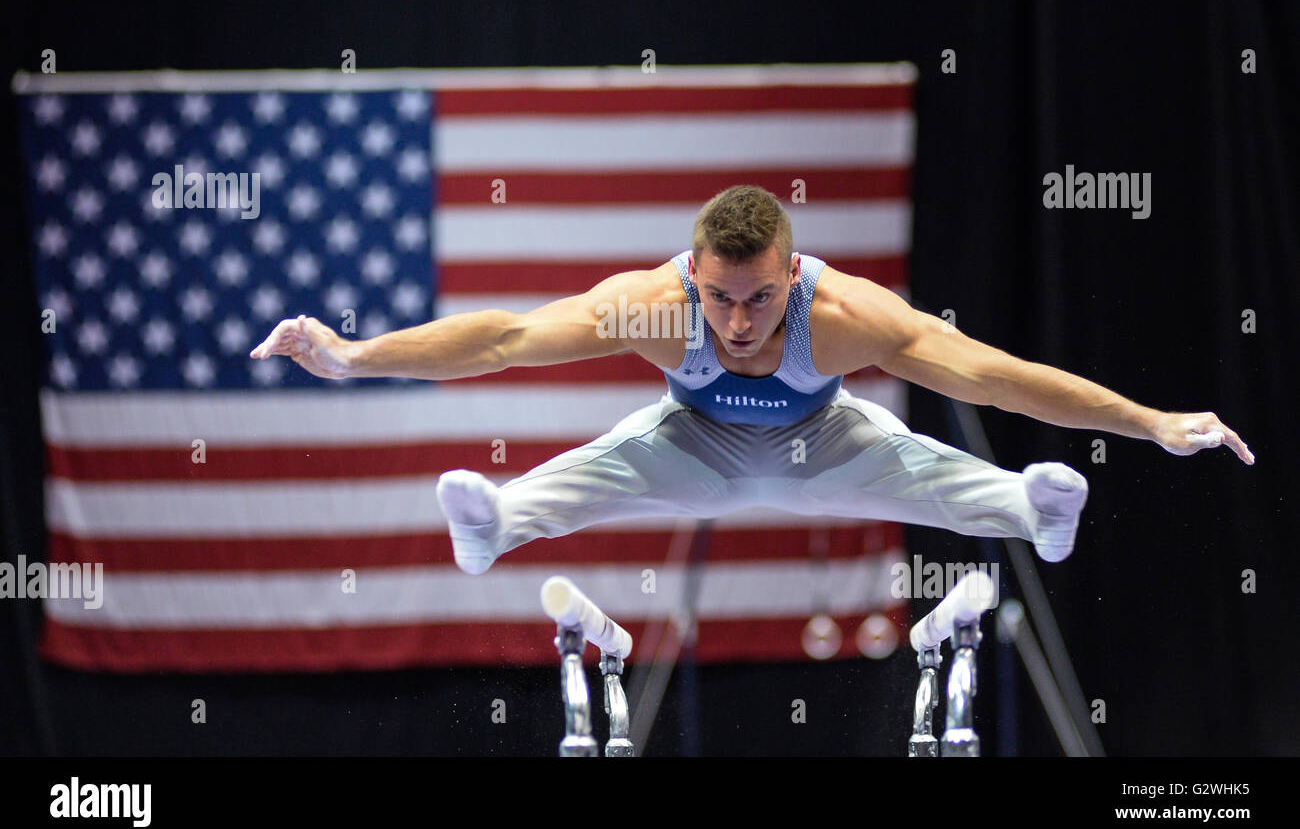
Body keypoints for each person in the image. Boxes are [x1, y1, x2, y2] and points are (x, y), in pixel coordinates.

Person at [250, 185, 1254, 576]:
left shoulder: (848, 316)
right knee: (612, 458)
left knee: (917, 460)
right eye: (721, 302)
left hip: (827, 442)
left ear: (792, 275)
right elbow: (505, 337)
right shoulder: (652, 307)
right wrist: (349, 356)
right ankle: (498, 526)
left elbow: (993, 377)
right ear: (691, 278)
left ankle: (1031, 514)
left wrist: (1150, 420)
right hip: (692, 442)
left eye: (762, 302)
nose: (738, 323)